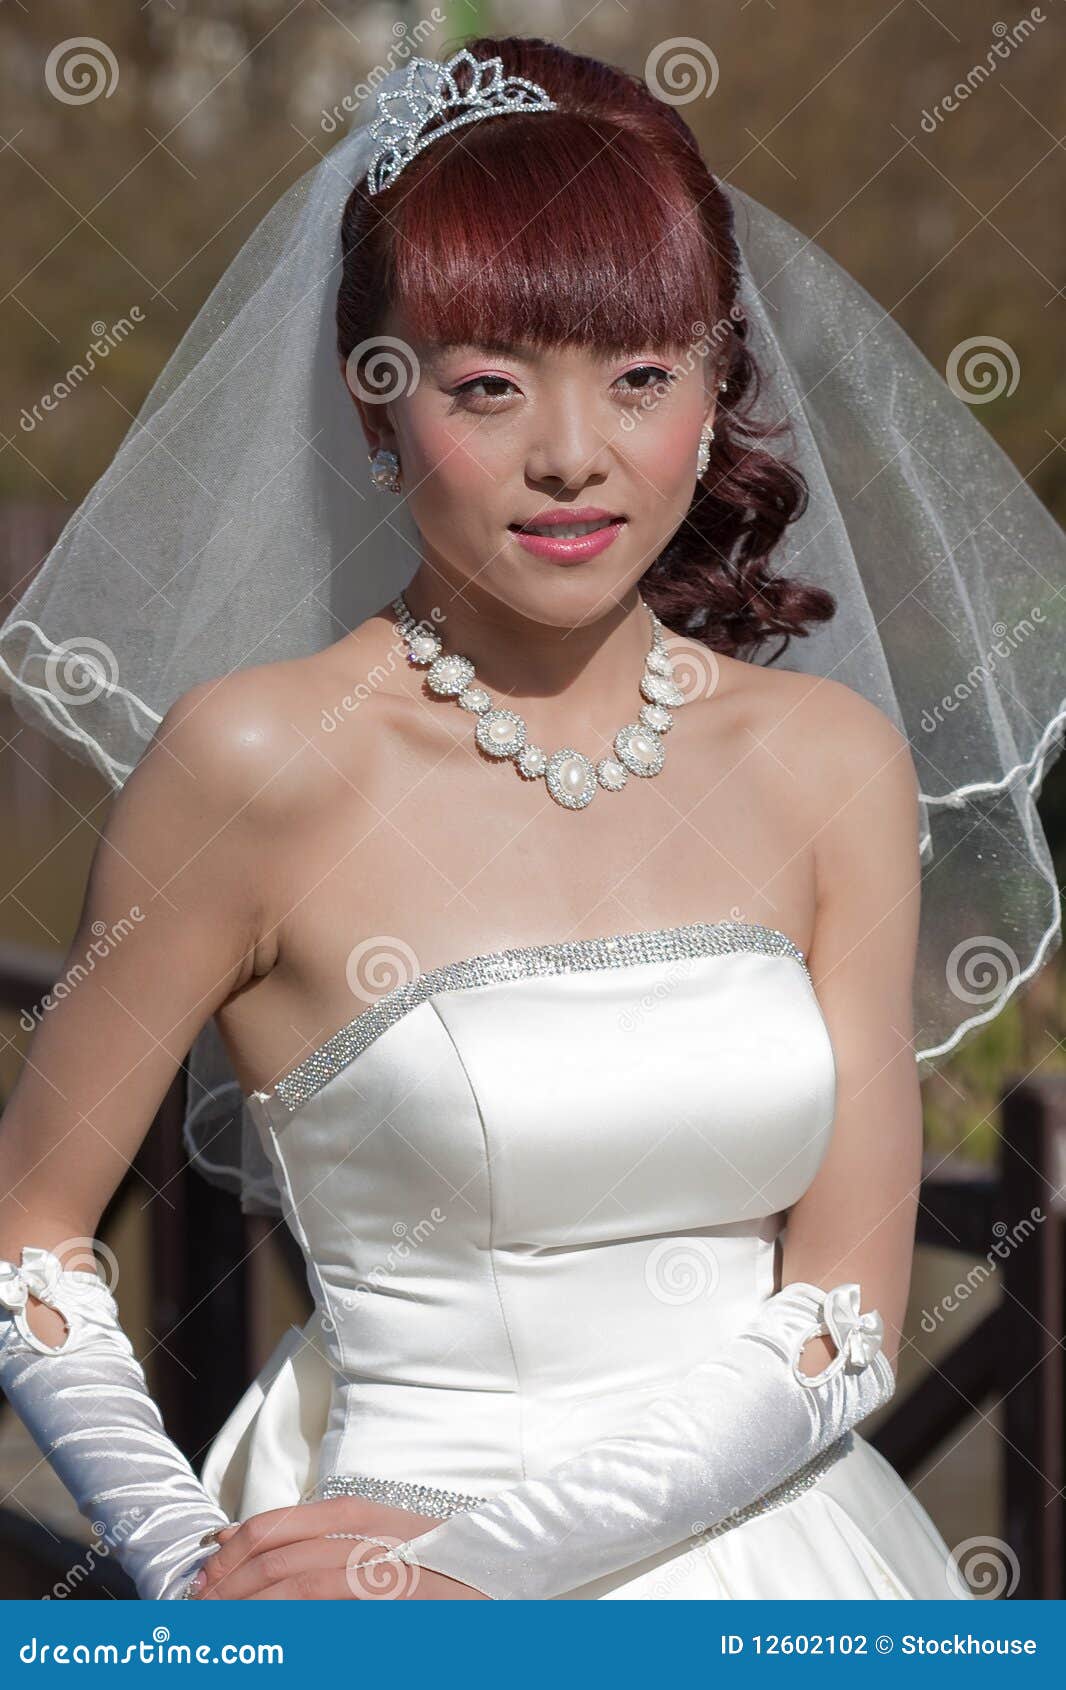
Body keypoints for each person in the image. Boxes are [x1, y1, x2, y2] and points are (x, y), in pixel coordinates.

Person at [1, 34, 1064, 1602]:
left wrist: (485, 1569)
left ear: (714, 394)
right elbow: (29, 1235)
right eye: (487, 385)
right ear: (376, 410)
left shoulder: (826, 758)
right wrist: (195, 1563)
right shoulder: (254, 764)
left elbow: (842, 1310)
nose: (571, 454)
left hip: (778, 1568)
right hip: (349, 1580)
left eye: (639, 377)